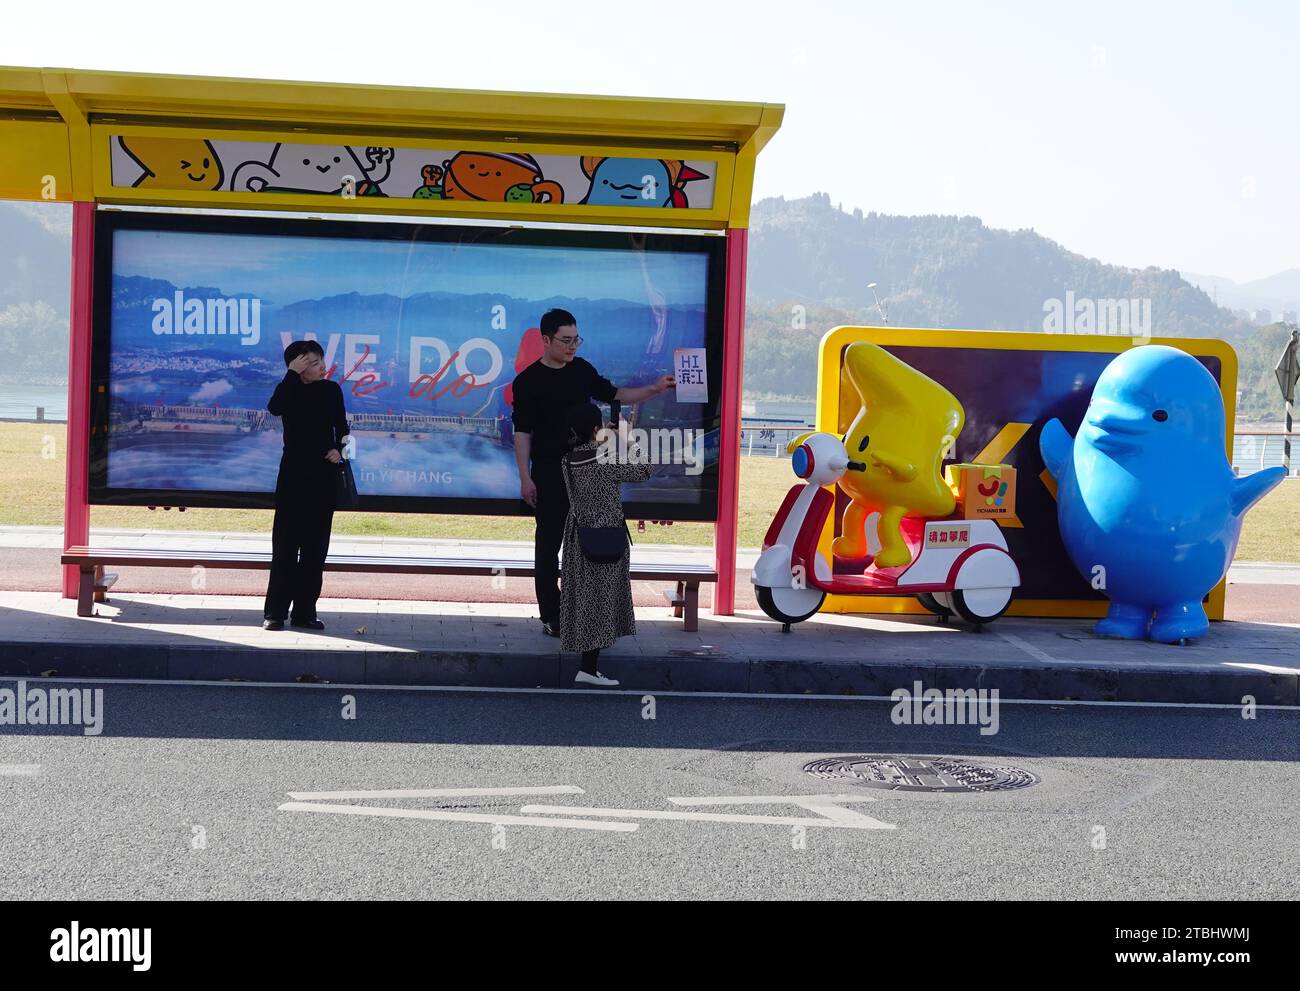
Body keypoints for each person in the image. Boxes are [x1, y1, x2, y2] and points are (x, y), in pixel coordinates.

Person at [511, 308, 673, 637]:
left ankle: (588, 614)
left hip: (588, 470)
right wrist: (525, 478)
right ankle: (552, 616)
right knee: (547, 547)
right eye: (566, 341)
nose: (573, 347)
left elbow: (617, 395)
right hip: (549, 472)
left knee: (591, 547)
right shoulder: (527, 382)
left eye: (576, 340)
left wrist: (654, 389)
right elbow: (522, 432)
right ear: (546, 340)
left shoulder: (582, 370)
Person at [559, 403, 652, 686]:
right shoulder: (604, 457)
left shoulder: (569, 458)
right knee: (600, 600)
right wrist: (628, 435)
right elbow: (644, 469)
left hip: (577, 535)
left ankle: (587, 666)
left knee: (585, 598)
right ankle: (588, 669)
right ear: (594, 428)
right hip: (605, 536)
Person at [262, 340, 349, 631]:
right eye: (312, 363)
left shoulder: (332, 390)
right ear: (297, 367)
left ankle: (305, 612)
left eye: (320, 360)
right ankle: (275, 613)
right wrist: (290, 374)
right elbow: (275, 408)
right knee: (285, 548)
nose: (321, 367)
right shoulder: (290, 389)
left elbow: (343, 428)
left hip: (323, 478)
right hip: (293, 478)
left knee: (315, 551)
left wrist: (339, 449)